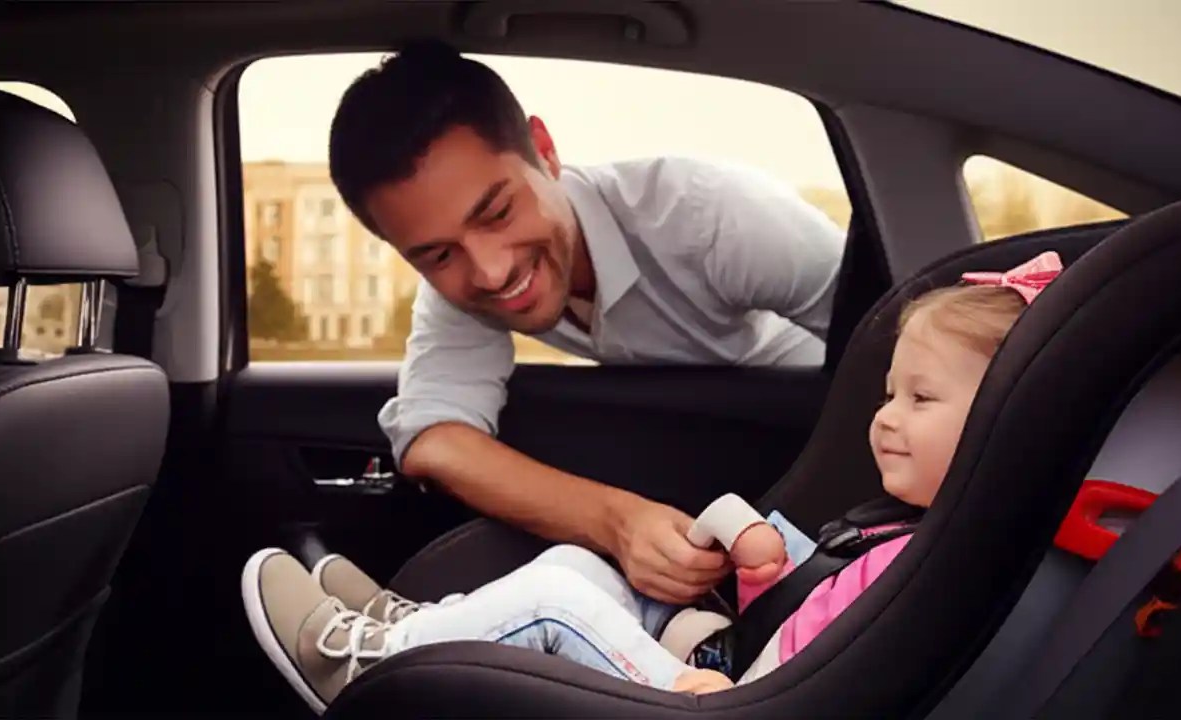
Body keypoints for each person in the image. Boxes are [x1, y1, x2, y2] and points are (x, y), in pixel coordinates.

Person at [242, 252, 1066, 713]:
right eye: (888, 394)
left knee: (557, 607)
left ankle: (364, 668)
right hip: (734, 665)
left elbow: (835, 670)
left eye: (920, 400)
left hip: (727, 703)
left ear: (1008, 420)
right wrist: (750, 547)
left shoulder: (942, 560)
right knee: (578, 568)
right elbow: (802, 598)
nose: (884, 418)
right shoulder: (901, 531)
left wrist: (733, 676)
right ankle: (419, 627)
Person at [326, 41, 848, 605]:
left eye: (499, 212)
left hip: (818, 439)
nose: (491, 271)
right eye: (437, 256)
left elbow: (897, 330)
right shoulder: (460, 288)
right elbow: (435, 440)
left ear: (545, 152)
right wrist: (616, 523)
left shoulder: (711, 217)